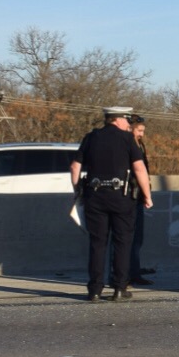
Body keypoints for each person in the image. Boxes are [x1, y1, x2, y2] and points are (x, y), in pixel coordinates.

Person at [70, 107, 152, 301]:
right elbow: (139, 168)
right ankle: (119, 288)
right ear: (117, 120)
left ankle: (94, 290)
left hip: (95, 196)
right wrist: (147, 196)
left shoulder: (91, 137)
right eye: (126, 120)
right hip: (121, 197)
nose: (128, 124)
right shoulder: (127, 139)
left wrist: (77, 191)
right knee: (122, 242)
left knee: (97, 243)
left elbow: (75, 166)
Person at [126, 115, 154, 286]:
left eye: (143, 131)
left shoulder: (139, 145)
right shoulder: (126, 145)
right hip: (128, 196)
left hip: (138, 196)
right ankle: (125, 274)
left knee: (138, 238)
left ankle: (134, 272)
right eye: (139, 130)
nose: (141, 134)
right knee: (127, 238)